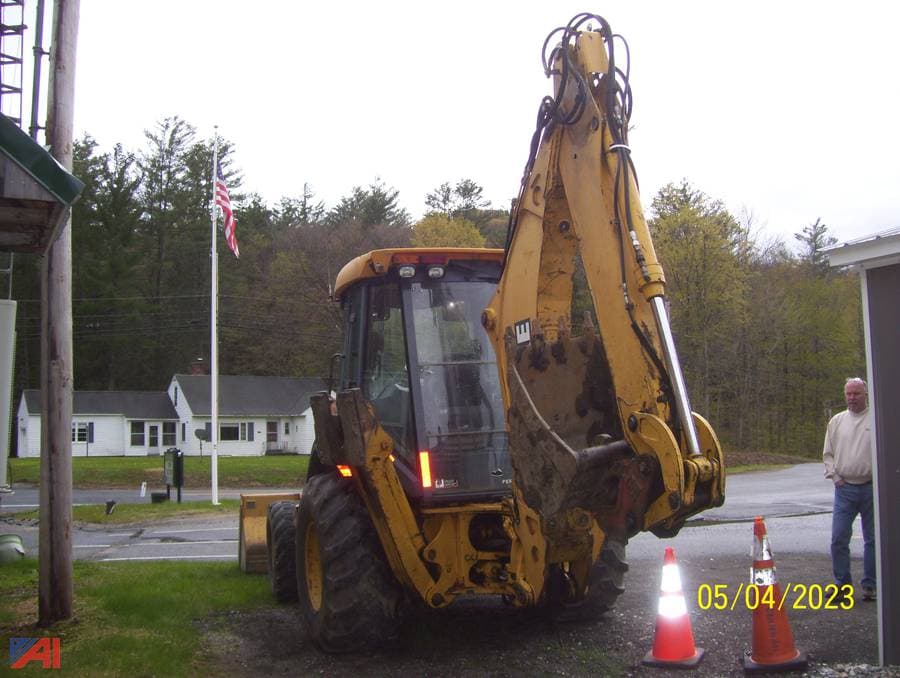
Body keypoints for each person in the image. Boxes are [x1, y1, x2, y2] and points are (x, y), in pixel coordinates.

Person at [823, 377, 876, 600]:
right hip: (845, 488)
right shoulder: (837, 421)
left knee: (873, 540)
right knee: (838, 537)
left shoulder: (875, 419)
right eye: (849, 394)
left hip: (872, 488)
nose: (852, 398)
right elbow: (828, 453)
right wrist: (835, 477)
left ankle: (871, 586)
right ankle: (842, 585)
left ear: (865, 395)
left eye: (856, 394)